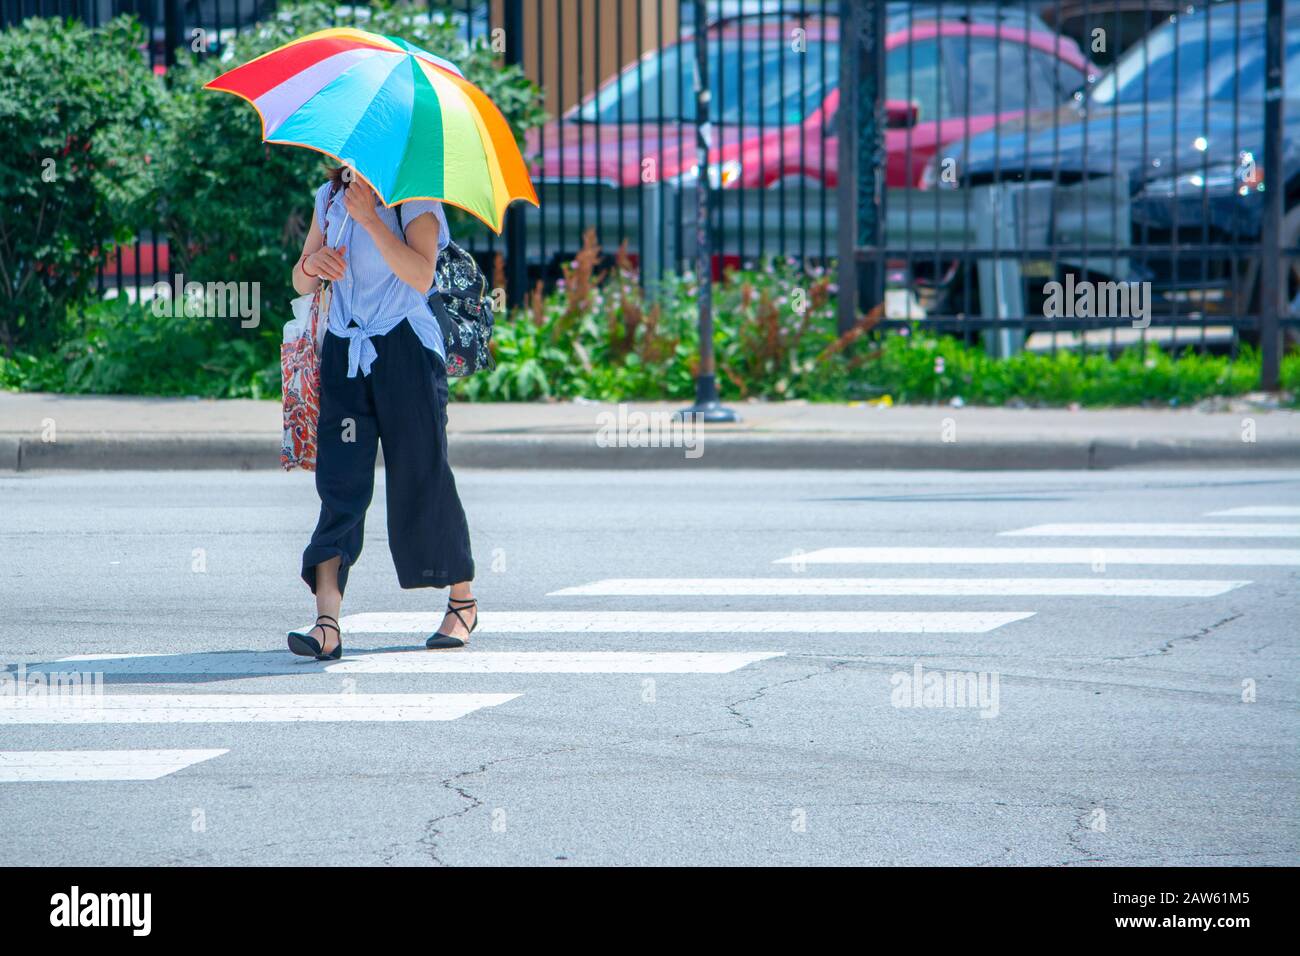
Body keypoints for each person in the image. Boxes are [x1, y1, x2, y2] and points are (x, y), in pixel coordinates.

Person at [286, 166, 478, 660]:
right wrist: (315, 267)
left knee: (422, 473)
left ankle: (462, 600)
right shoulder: (329, 195)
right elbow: (300, 276)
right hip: (346, 349)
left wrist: (371, 219)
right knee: (340, 482)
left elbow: (421, 273)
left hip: (407, 348)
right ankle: (326, 621)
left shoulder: (414, 197)